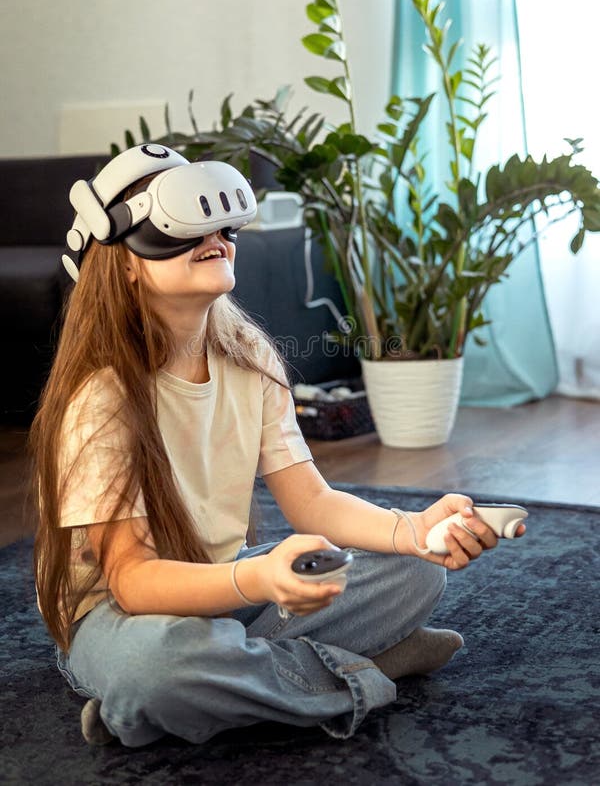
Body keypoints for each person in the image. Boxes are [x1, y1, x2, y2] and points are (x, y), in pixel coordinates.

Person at [30, 145, 525, 749]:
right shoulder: (103, 397)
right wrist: (262, 579)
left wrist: (416, 529)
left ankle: (219, 686)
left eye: (220, 225)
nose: (214, 237)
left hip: (226, 585)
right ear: (126, 263)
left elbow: (311, 502)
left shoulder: (248, 356)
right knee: (155, 669)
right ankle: (360, 671)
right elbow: (133, 582)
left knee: (413, 573)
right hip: (121, 617)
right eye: (184, 226)